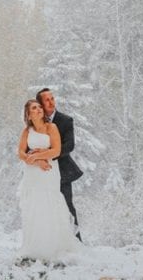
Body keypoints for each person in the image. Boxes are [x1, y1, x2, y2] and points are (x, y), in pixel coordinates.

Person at [17, 99, 80, 261]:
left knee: (49, 202)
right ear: (29, 114)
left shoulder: (51, 127)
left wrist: (38, 155)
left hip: (49, 171)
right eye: (34, 108)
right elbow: (21, 154)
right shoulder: (27, 131)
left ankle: (53, 246)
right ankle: (34, 246)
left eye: (39, 107)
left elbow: (56, 150)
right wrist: (36, 161)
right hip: (33, 172)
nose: (38, 109)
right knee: (34, 204)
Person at [36, 87, 83, 241]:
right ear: (40, 104)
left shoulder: (66, 120)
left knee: (67, 205)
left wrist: (48, 155)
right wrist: (38, 159)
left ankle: (76, 242)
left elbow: (69, 146)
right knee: (44, 207)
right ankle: (49, 241)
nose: (51, 102)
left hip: (62, 171)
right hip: (41, 171)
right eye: (47, 100)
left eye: (52, 98)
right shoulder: (36, 121)